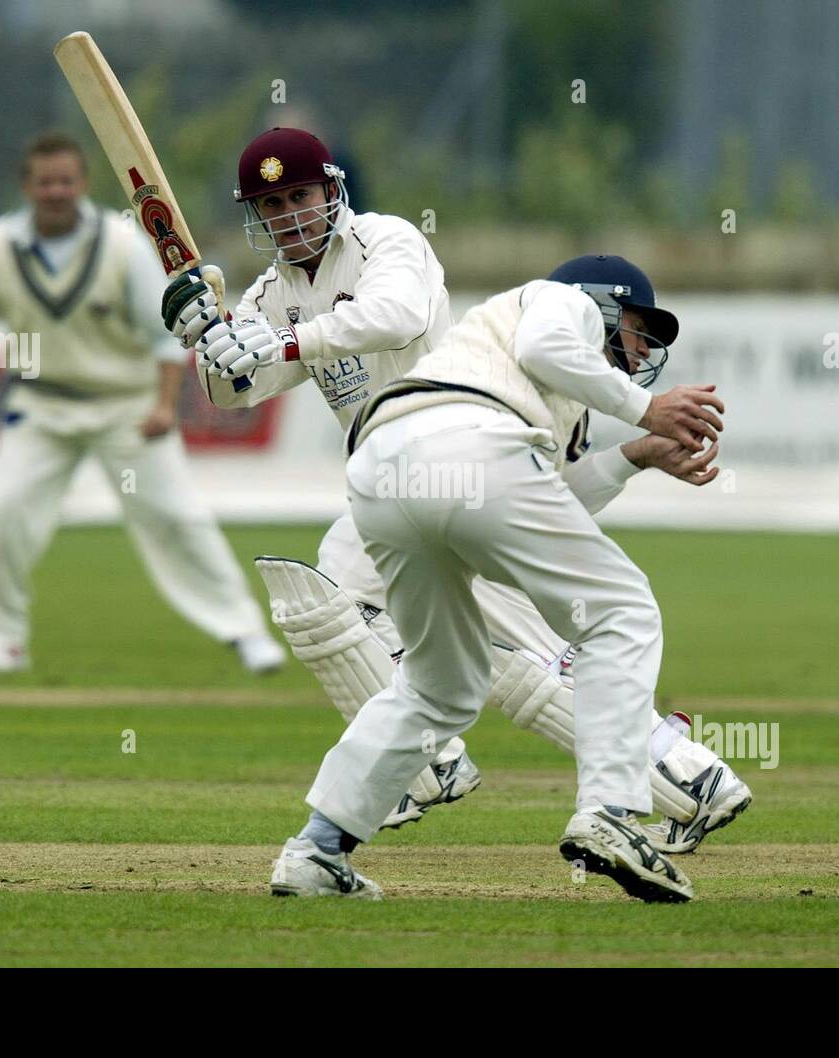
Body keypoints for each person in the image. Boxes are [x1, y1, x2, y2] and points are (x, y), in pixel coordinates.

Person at [165, 131, 750, 850]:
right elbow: (235, 392)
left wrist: (281, 343)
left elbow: (398, 315)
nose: (290, 215)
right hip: (393, 479)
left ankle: (679, 773)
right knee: (337, 612)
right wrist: (208, 338)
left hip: (451, 460)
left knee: (505, 664)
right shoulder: (270, 294)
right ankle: (448, 770)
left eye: (300, 196)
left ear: (332, 192)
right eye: (272, 204)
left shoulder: (387, 241)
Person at [270, 255, 729, 901]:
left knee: (442, 686)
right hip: (468, 447)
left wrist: (635, 456)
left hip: (385, 470)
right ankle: (611, 816)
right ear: (598, 303)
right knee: (621, 611)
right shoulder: (554, 301)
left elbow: (538, 500)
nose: (642, 345)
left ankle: (316, 851)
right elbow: (543, 358)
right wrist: (646, 407)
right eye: (635, 325)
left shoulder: (552, 394)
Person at [0, 131, 282, 674]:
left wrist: (165, 407)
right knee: (4, 512)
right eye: (45, 182)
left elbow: (162, 336)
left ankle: (244, 631)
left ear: (82, 184)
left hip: (127, 404)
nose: (56, 191)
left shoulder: (122, 244)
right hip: (40, 405)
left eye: (66, 181)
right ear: (27, 186)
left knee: (177, 517)